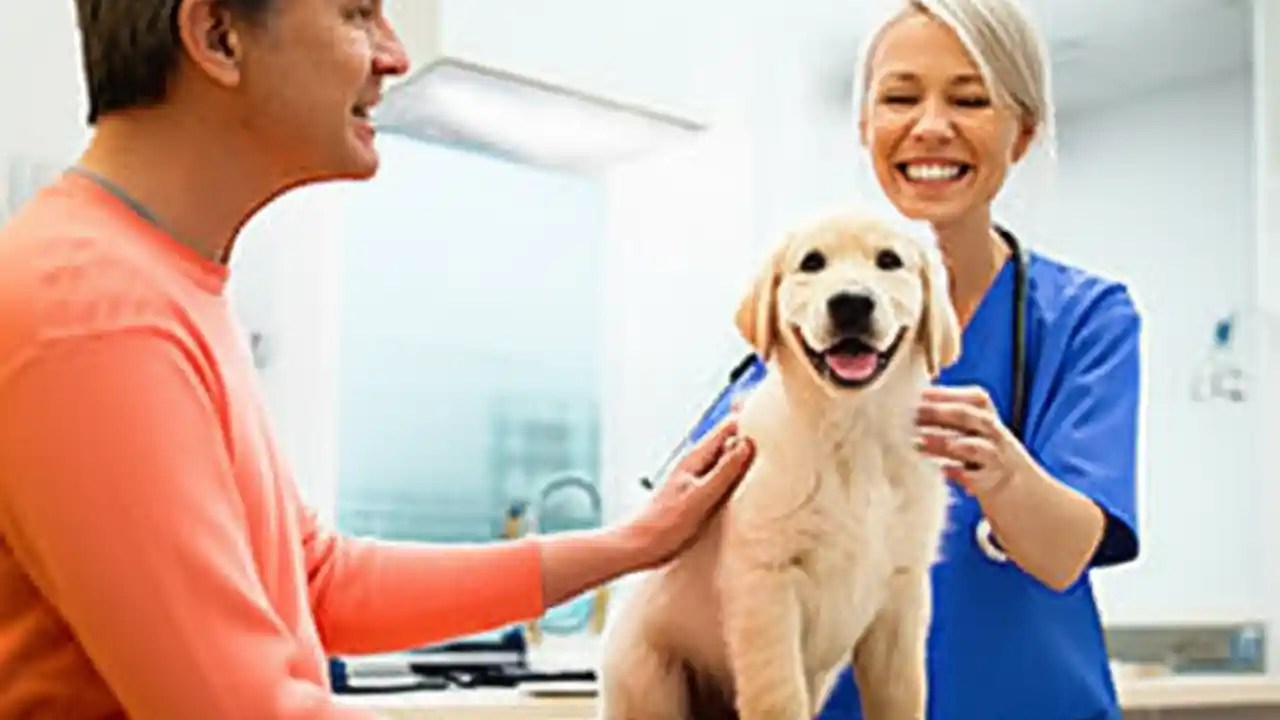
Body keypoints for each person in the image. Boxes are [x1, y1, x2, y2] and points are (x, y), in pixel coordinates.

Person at [0, 1, 754, 718]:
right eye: (357, 14)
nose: (393, 56)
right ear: (219, 36)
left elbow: (317, 580)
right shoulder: (92, 307)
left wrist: (632, 543)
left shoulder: (158, 280)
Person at [812, 0, 1143, 717]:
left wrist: (1001, 467)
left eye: (970, 99)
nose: (931, 126)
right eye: (901, 97)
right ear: (867, 126)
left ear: (1021, 133)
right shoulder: (811, 315)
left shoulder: (1082, 318)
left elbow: (1063, 552)